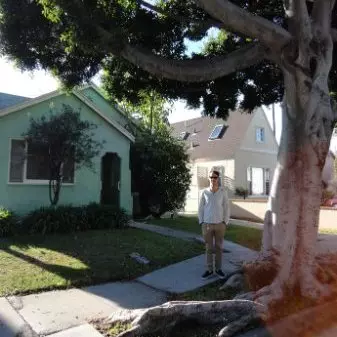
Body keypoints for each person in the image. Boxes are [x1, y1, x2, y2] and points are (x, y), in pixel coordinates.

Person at [198, 169, 230, 279]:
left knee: (219, 247)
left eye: (215, 177)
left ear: (218, 178)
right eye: (211, 177)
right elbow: (201, 208)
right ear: (209, 178)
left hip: (220, 224)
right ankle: (209, 270)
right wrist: (201, 221)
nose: (213, 179)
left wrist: (225, 221)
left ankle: (218, 269)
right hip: (207, 224)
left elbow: (226, 207)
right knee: (208, 248)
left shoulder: (223, 192)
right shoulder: (204, 192)